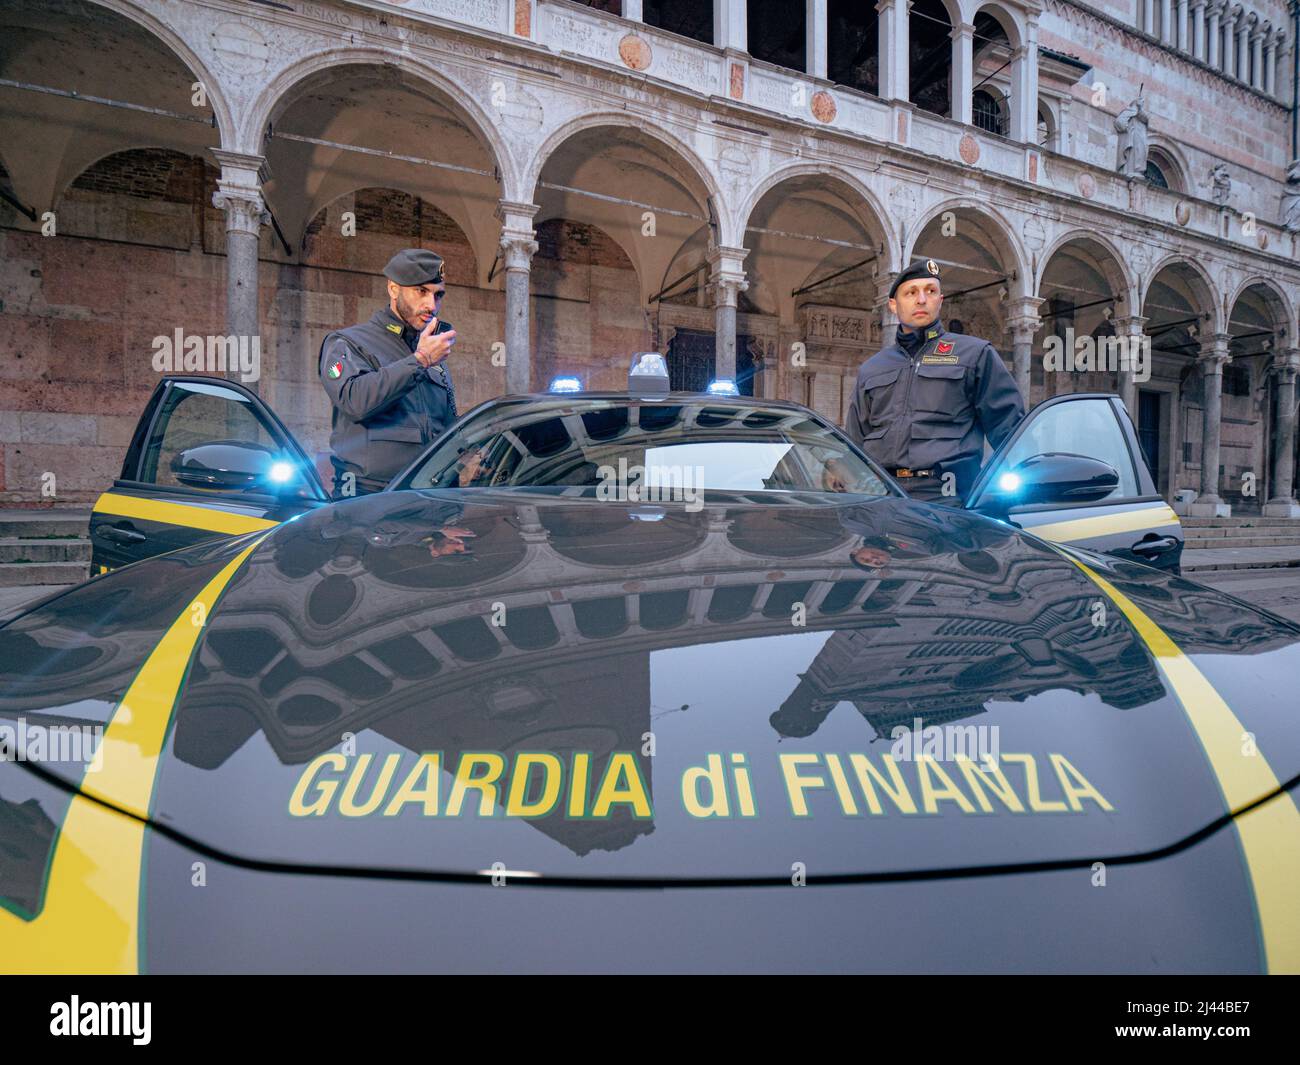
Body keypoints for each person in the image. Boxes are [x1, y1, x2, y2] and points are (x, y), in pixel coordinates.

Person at [842, 259, 1024, 504]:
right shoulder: (872, 369)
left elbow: (1010, 433)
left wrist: (998, 498)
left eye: (930, 291)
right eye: (911, 292)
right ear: (893, 305)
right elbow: (854, 444)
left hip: (949, 500)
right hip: (884, 501)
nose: (921, 300)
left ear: (940, 300)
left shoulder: (974, 355)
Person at [319, 248, 459, 497]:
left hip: (427, 501)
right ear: (393, 289)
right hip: (366, 499)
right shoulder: (347, 342)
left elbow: (444, 427)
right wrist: (420, 360)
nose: (431, 305)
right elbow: (355, 400)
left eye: (438, 295)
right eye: (421, 291)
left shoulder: (429, 352)